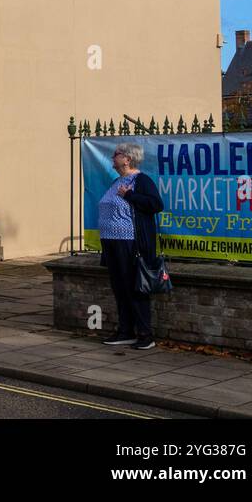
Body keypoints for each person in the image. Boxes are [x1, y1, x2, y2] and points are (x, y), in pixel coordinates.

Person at [98, 141, 164, 350]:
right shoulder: (117, 181)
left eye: (115, 154)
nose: (112, 158)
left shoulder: (141, 180)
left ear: (127, 158)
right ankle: (125, 331)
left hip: (131, 243)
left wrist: (130, 195)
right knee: (120, 287)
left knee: (134, 287)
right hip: (112, 243)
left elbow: (155, 204)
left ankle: (145, 334)